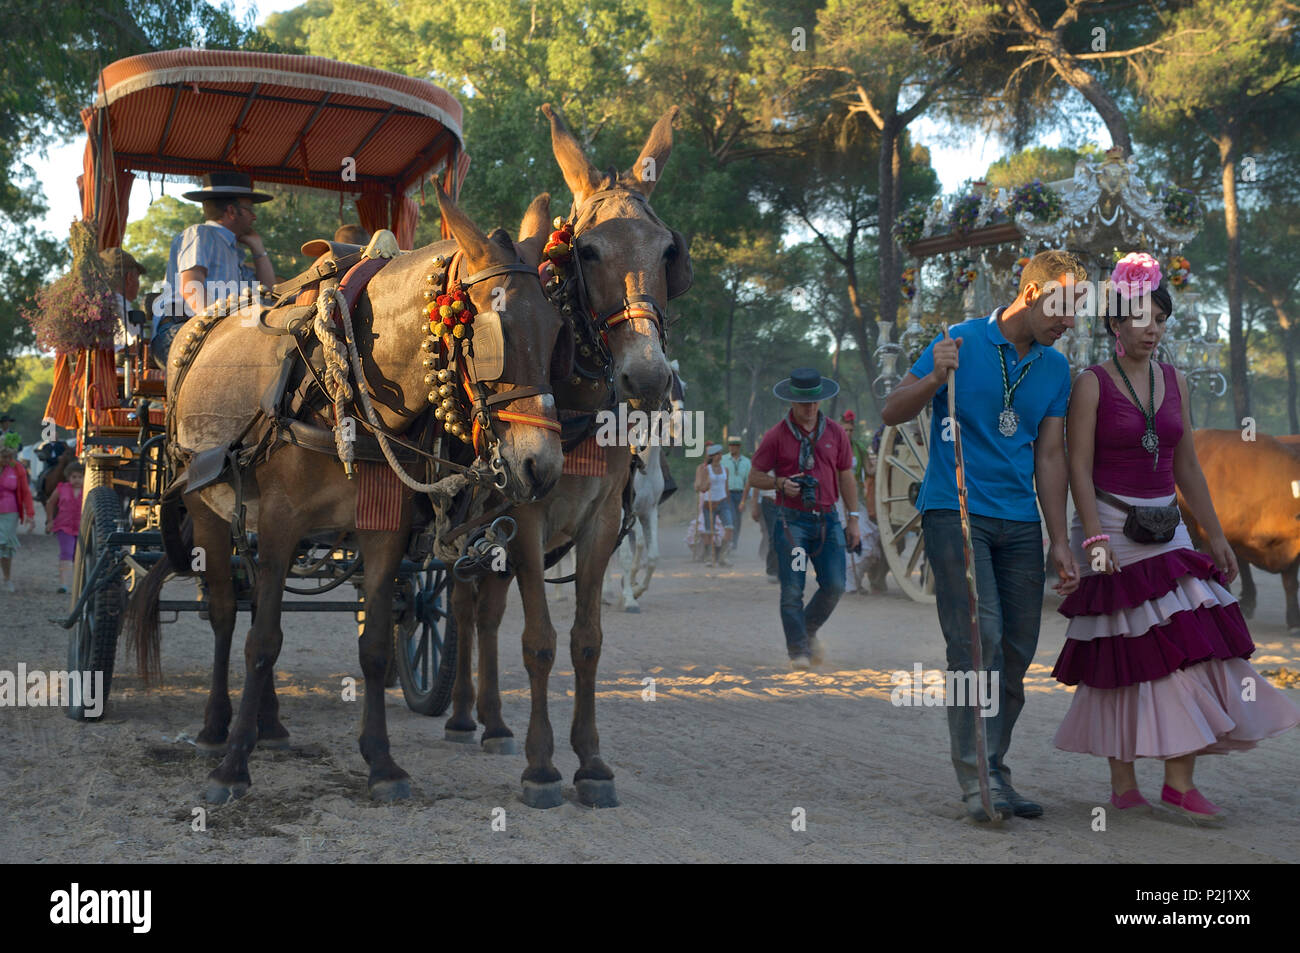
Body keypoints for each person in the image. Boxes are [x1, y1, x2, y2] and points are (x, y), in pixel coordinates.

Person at [1052, 263, 1299, 818]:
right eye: (1142, 317)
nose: (1153, 328)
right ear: (1116, 321)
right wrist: (1092, 536)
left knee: (1191, 648)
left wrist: (1214, 535)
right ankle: (1123, 785)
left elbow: (1186, 463)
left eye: (1161, 319)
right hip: (1111, 529)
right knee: (1123, 654)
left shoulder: (1176, 381)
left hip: (1170, 529)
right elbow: (1078, 465)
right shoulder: (1089, 382)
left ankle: (1179, 782)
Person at [881, 249, 1085, 822]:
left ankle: (994, 768)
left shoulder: (1054, 368)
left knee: (1017, 652)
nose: (1069, 323)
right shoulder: (958, 340)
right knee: (979, 641)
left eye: (1077, 313)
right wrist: (934, 376)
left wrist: (1060, 540)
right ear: (1032, 293)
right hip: (955, 512)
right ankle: (977, 783)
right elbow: (892, 409)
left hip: (1020, 524)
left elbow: (1050, 456)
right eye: (1063, 308)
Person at [750, 368, 860, 670]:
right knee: (793, 590)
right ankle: (798, 650)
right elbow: (756, 476)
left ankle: (807, 629)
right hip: (791, 523)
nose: (810, 408)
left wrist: (853, 517)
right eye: (803, 403)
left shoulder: (837, 433)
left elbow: (846, 475)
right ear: (792, 401)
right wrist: (780, 483)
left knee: (836, 585)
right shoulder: (775, 436)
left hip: (828, 520)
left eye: (815, 402)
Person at [153, 172, 276, 366]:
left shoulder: (235, 252)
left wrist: (258, 248)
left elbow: (269, 291)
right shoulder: (200, 234)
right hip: (181, 329)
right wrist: (219, 329)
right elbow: (191, 286)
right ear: (232, 211)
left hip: (222, 332)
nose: (254, 216)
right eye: (249, 209)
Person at [100, 247, 147, 355]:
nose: (138, 284)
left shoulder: (92, 308)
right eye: (137, 277)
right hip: (120, 371)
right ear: (129, 278)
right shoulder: (118, 307)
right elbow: (128, 352)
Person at [0, 444, 35, 591]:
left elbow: (26, 492)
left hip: (10, 511)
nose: (8, 460)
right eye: (4, 457)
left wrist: (30, 514)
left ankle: (7, 578)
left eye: (11, 457)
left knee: (6, 545)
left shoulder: (17, 468)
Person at [46, 461, 84, 593]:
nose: (77, 480)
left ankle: (79, 584)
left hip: (81, 527)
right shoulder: (61, 488)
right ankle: (64, 584)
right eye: (74, 477)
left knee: (79, 555)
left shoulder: (88, 491)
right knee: (66, 553)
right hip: (64, 526)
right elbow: (50, 502)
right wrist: (50, 520)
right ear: (68, 477)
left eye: (80, 477)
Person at [694, 443, 733, 564]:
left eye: (720, 454)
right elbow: (701, 488)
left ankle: (723, 556)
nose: (719, 456)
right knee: (709, 531)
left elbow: (726, 488)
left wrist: (728, 502)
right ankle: (709, 557)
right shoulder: (706, 470)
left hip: (722, 502)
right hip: (709, 503)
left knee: (729, 527)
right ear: (711, 456)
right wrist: (706, 484)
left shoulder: (725, 470)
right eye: (716, 454)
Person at [721, 436, 750, 552]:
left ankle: (734, 543)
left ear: (739, 447)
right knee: (730, 518)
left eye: (735, 445)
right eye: (730, 445)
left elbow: (748, 482)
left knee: (738, 520)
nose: (732, 448)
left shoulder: (747, 462)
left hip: (740, 493)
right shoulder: (723, 460)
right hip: (727, 493)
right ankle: (728, 542)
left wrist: (744, 500)